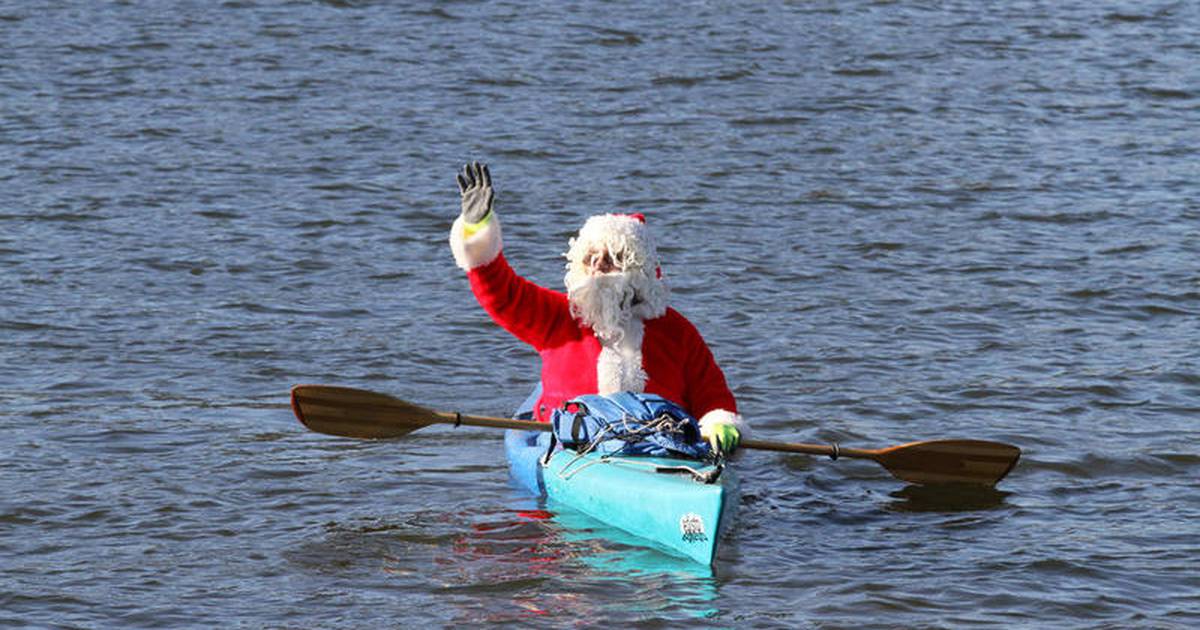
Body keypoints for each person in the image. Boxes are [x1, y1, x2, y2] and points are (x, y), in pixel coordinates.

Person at [448, 162, 747, 454]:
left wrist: (718, 421)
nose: (598, 265)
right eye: (590, 257)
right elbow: (501, 292)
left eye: (613, 257)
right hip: (572, 446)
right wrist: (477, 228)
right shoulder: (558, 315)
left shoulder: (676, 331)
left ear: (640, 267)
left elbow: (711, 393)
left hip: (660, 450)